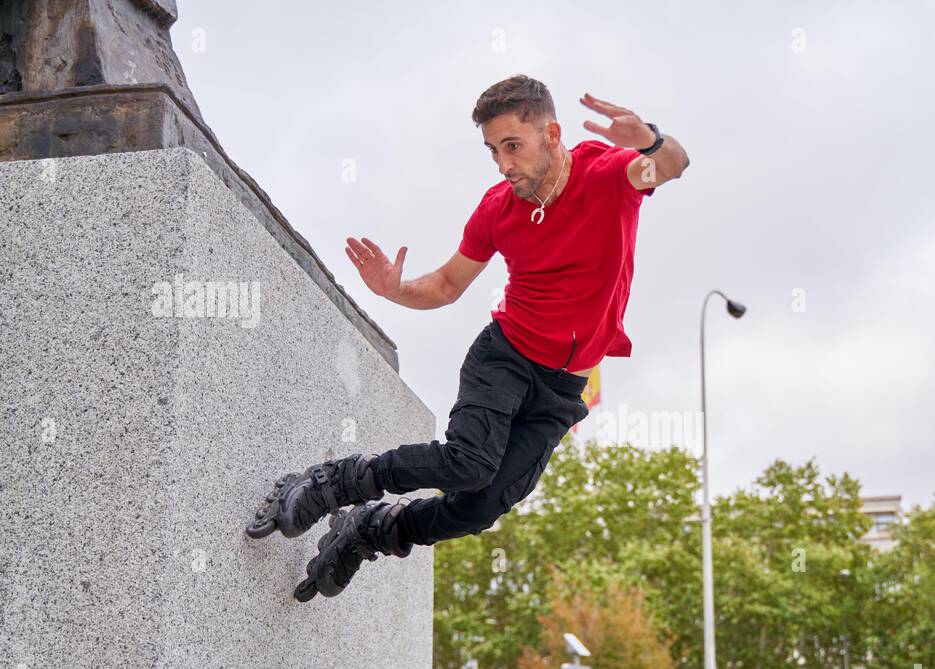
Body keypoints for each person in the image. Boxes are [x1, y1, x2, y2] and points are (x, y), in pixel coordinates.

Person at [246, 75, 688, 600]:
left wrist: (649, 139)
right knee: (469, 463)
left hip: (563, 387)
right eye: (493, 151)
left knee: (481, 506)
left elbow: (672, 165)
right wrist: (394, 289)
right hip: (506, 355)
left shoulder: (610, 173)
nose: (504, 164)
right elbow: (446, 285)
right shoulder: (498, 208)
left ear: (551, 134)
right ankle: (333, 483)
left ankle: (371, 531)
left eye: (512, 146)